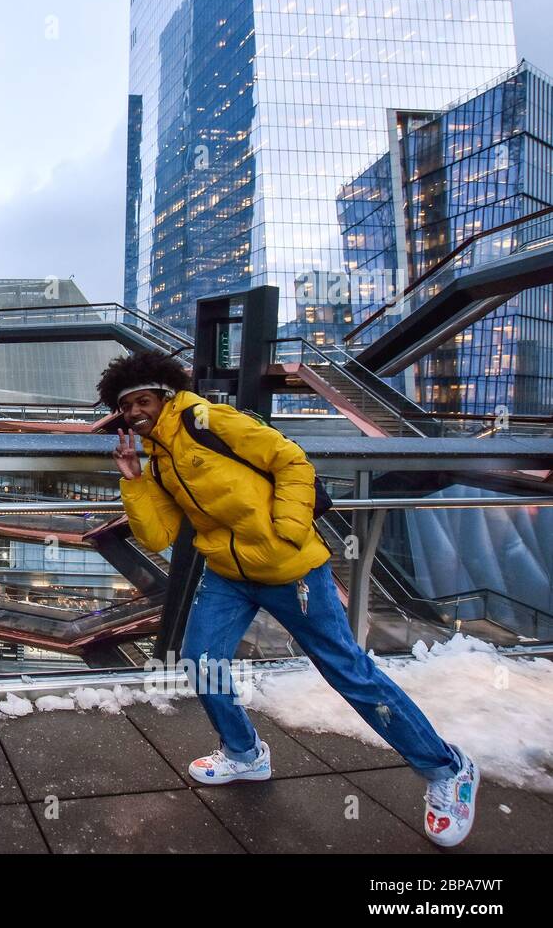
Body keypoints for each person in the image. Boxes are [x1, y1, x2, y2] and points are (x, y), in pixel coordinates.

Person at [101, 350, 479, 847]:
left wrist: (286, 532)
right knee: (200, 661)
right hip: (228, 575)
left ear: (165, 394)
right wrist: (136, 480)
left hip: (290, 571)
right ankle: (244, 753)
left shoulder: (206, 420)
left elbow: (292, 461)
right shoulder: (160, 458)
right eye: (125, 408)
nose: (133, 414)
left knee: (348, 672)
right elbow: (156, 537)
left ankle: (448, 769)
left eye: (141, 401)